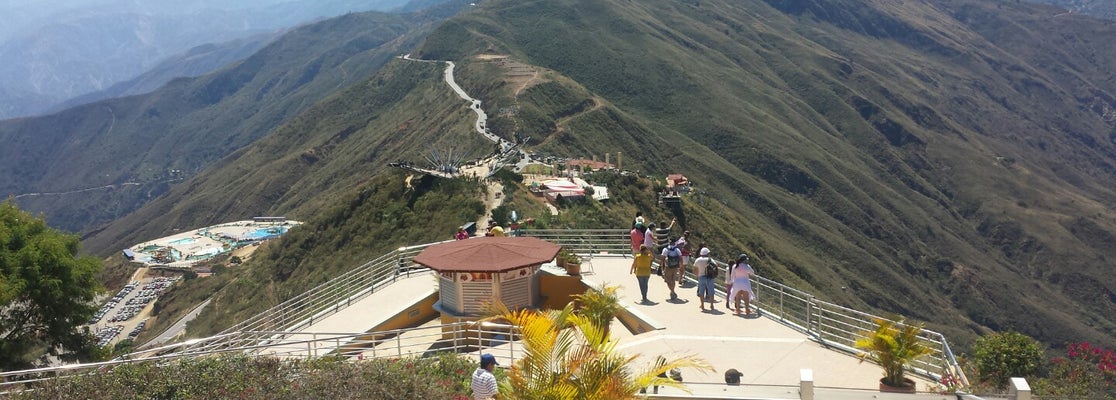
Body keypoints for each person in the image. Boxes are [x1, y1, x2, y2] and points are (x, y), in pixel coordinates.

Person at [694, 247, 716, 311]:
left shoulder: (698, 260)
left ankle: (702, 305)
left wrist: (697, 275)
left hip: (701, 277)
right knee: (711, 292)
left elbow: (695, 268)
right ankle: (711, 305)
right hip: (710, 277)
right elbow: (716, 265)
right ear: (707, 253)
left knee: (701, 292)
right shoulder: (710, 259)